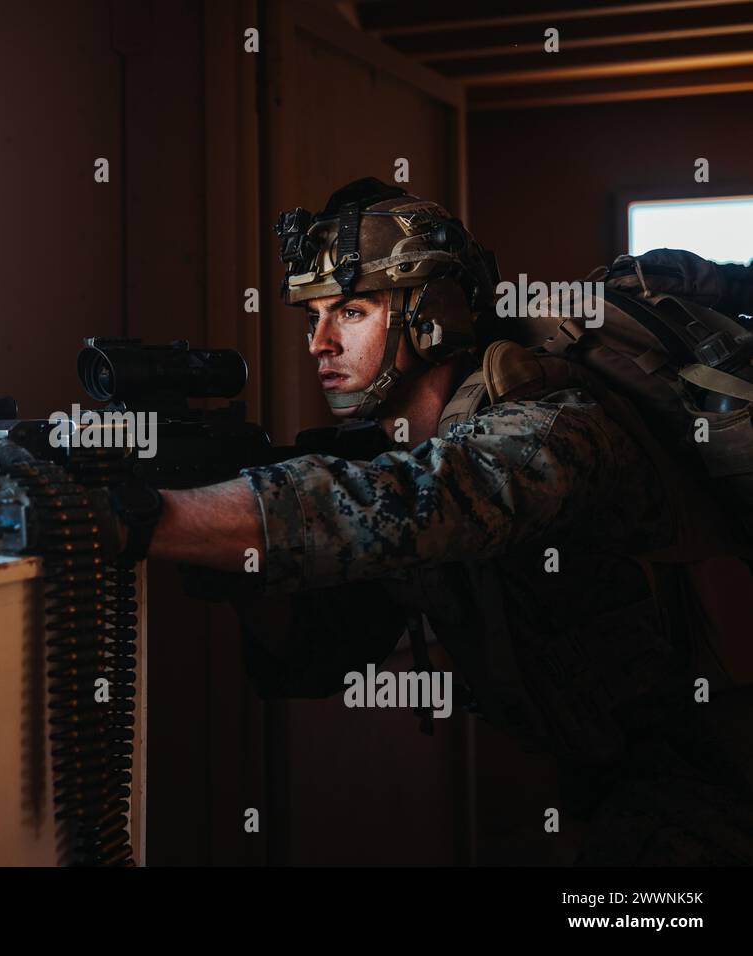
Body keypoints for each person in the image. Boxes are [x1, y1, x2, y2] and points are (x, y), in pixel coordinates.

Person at [111, 177, 753, 864]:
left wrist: (145, 518)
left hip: (719, 781)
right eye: (311, 316)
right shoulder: (398, 452)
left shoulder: (552, 426)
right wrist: (233, 554)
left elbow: (427, 499)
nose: (318, 343)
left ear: (431, 316)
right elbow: (319, 657)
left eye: (350, 312)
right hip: (620, 788)